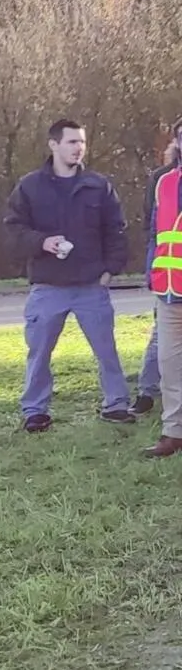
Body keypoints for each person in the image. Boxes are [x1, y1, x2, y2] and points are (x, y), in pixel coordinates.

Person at [5, 119, 132, 432]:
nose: (78, 148)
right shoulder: (30, 186)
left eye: (82, 142)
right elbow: (12, 229)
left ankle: (116, 405)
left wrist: (110, 270)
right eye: (72, 142)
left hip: (92, 285)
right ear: (53, 144)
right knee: (39, 353)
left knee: (106, 350)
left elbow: (116, 229)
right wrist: (42, 242)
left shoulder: (98, 185)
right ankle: (35, 411)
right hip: (48, 285)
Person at [143, 120, 182, 456]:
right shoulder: (164, 181)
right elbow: (156, 233)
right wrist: (151, 272)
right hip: (169, 290)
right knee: (170, 365)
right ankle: (174, 433)